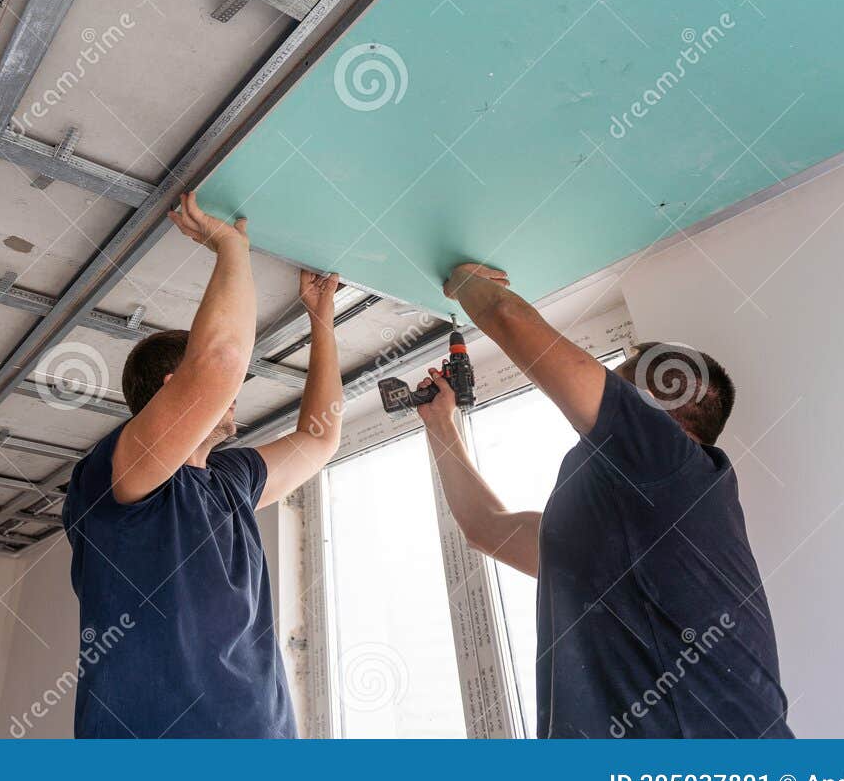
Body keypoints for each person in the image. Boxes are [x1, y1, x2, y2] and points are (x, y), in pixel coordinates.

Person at [418, 263, 791, 738]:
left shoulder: (676, 469)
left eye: (616, 383)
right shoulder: (622, 532)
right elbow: (486, 527)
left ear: (652, 407)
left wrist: (461, 279)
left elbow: (509, 318)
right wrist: (440, 426)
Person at [62, 193, 343, 738]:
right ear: (174, 391)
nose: (234, 396)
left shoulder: (230, 482)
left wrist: (322, 322)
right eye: (221, 392)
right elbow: (219, 363)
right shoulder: (118, 476)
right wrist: (229, 247)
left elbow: (319, 437)